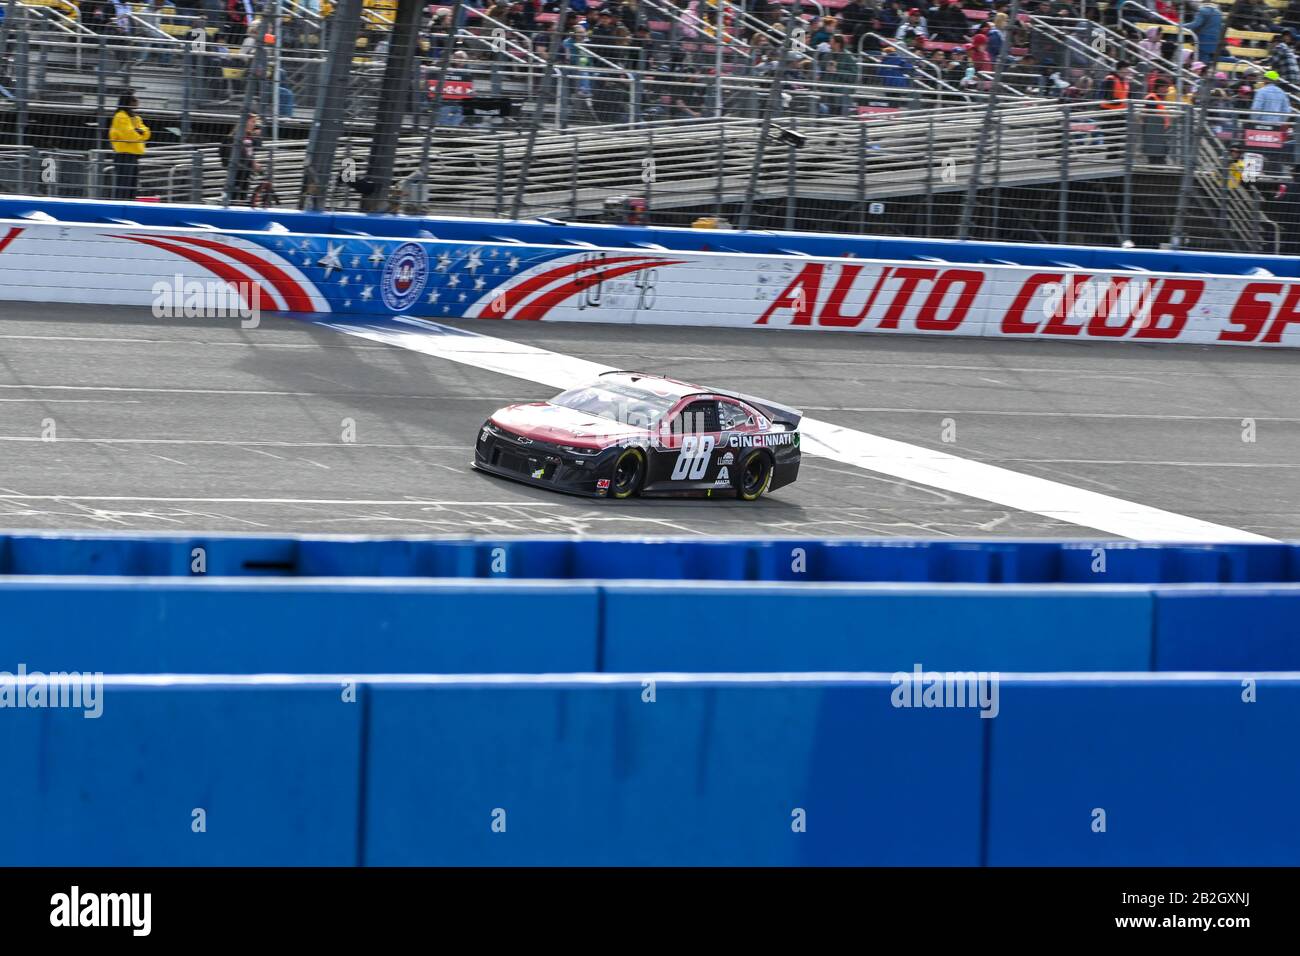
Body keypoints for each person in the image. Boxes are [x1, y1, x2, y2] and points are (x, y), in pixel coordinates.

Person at [108, 91, 150, 200]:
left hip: (133, 155)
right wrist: (140, 133)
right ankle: (119, 208)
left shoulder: (135, 117)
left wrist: (139, 132)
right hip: (124, 155)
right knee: (123, 187)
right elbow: (130, 136)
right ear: (127, 101)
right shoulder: (121, 116)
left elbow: (147, 132)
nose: (137, 102)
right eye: (134, 100)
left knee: (132, 187)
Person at [1186, 1, 1222, 67]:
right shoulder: (1218, 12)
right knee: (1204, 61)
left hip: (1203, 39)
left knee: (1200, 63)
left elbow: (1195, 24)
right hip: (1214, 40)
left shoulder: (1202, 10)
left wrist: (1181, 26)